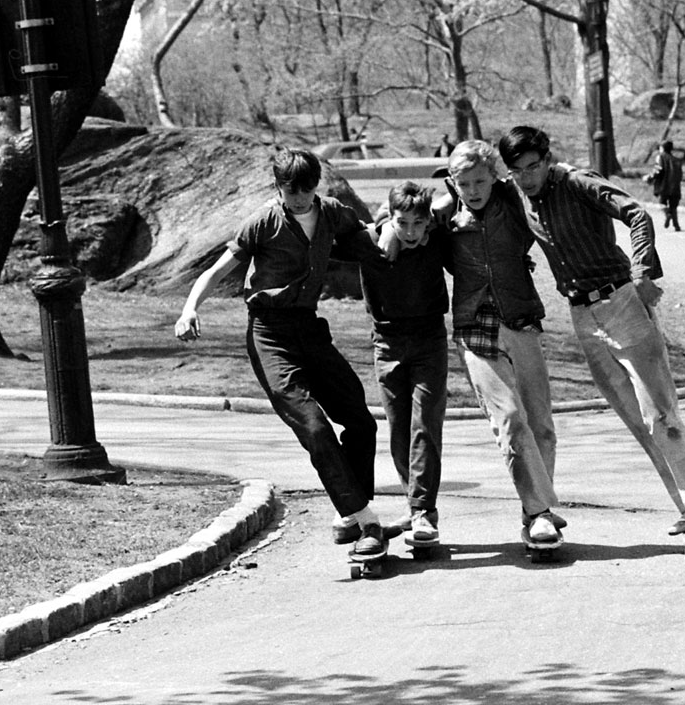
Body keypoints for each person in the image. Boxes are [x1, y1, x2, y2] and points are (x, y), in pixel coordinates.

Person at [497, 125, 685, 547]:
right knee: (637, 422)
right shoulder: (520, 197)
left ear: (547, 159)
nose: (527, 177)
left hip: (622, 302)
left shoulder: (577, 181)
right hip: (582, 314)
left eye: (533, 166)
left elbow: (636, 212)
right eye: (517, 172)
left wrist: (642, 271)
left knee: (661, 416)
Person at [174, 147, 394, 560]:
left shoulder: (330, 211)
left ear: (316, 186)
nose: (299, 199)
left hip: (310, 329)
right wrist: (190, 309)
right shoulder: (262, 222)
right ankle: (365, 520)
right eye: (290, 191)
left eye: (306, 190)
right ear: (278, 188)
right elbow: (218, 269)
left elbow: (366, 229)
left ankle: (351, 514)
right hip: (270, 334)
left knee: (361, 423)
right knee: (314, 426)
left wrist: (389, 227)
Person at [432, 139, 567, 549]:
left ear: (495, 176)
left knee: (541, 425)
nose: (472, 190)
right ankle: (542, 513)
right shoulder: (443, 215)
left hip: (520, 318)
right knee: (509, 419)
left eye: (479, 180)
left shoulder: (513, 200)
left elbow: (549, 186)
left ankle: (532, 513)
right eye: (463, 182)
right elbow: (400, 222)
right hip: (475, 327)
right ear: (452, 182)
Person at [363, 182, 450, 546]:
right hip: (387, 343)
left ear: (428, 220)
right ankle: (419, 508)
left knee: (424, 424)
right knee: (399, 429)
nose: (411, 232)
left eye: (419, 222)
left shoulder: (437, 237)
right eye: (403, 223)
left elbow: (456, 197)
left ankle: (420, 510)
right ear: (390, 216)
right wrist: (383, 227)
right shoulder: (370, 239)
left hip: (429, 340)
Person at [643, 140, 683, 231]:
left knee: (662, 203)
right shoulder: (677, 161)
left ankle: (667, 214)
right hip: (675, 187)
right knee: (674, 206)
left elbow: (658, 170)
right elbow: (680, 175)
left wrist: (649, 177)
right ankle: (676, 225)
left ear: (662, 148)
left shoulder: (660, 157)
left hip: (664, 186)